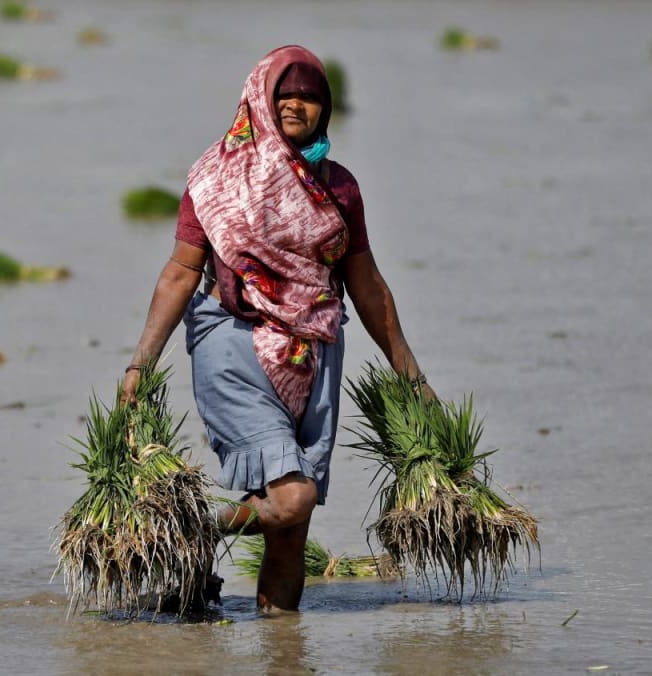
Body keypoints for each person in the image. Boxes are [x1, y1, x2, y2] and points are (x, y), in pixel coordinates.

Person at [121, 45, 434, 614]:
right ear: (259, 101)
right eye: (284, 94)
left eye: (311, 96)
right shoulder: (216, 178)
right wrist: (141, 362)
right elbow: (180, 272)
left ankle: (281, 647)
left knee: (291, 531)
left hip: (313, 353)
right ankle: (193, 532)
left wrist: (412, 377)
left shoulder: (338, 187)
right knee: (294, 498)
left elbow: (366, 286)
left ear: (327, 109)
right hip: (233, 345)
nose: (297, 104)